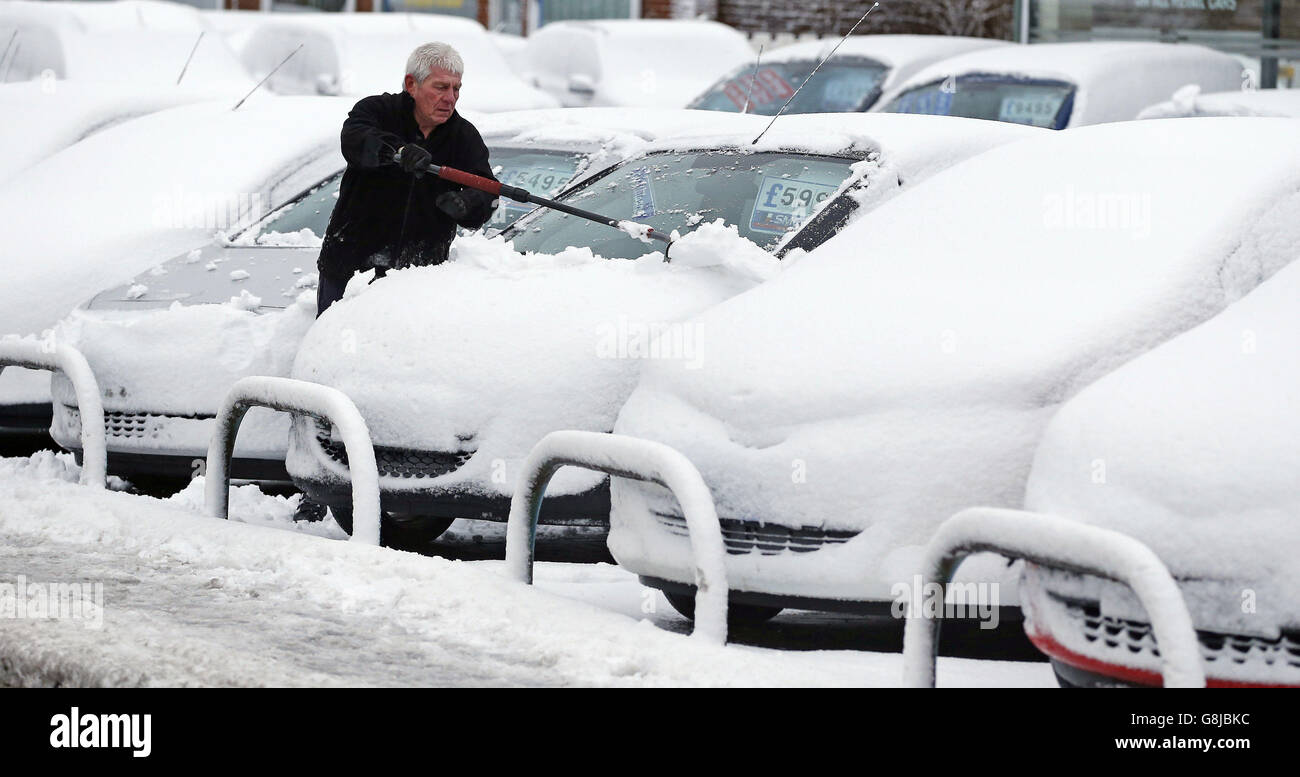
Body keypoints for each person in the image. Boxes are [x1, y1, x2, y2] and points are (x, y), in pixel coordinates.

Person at [315, 42, 498, 317]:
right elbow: (356, 140)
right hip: (350, 267)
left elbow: (487, 191)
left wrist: (467, 203)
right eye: (441, 87)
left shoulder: (463, 137)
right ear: (411, 84)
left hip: (418, 278)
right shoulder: (376, 111)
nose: (450, 97)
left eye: (456, 88)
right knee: (334, 347)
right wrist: (397, 152)